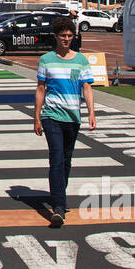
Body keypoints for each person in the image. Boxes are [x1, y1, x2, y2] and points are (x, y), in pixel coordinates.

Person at [34, 17, 96, 227]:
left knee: (67, 160)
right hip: (51, 115)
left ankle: (58, 194)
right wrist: (37, 116)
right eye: (63, 36)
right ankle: (59, 208)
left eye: (70, 36)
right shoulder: (46, 60)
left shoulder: (81, 61)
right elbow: (41, 88)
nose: (66, 39)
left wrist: (91, 113)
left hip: (73, 117)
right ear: (56, 37)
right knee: (57, 158)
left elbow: (87, 88)